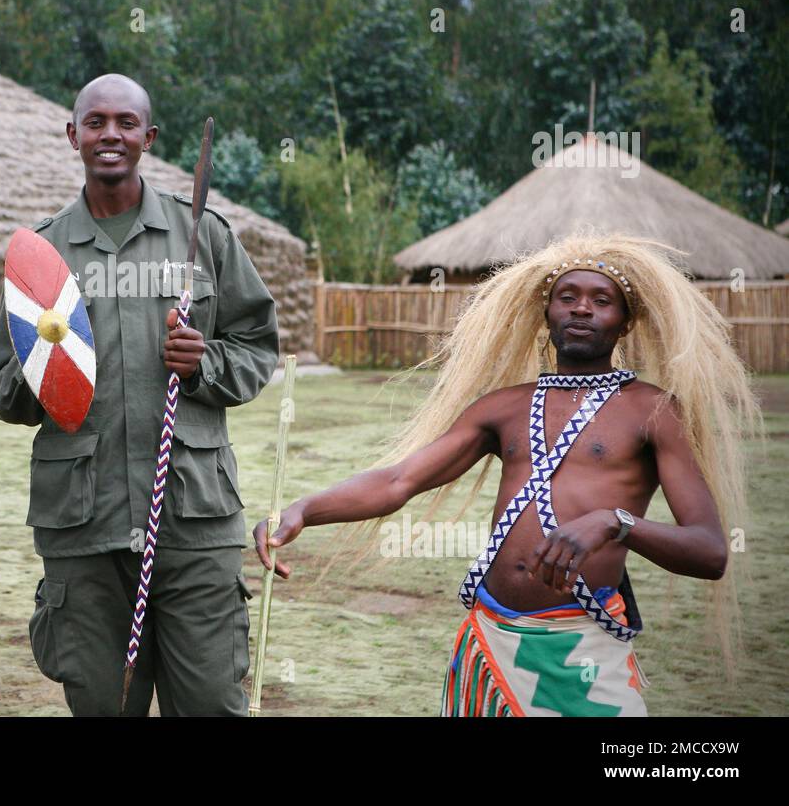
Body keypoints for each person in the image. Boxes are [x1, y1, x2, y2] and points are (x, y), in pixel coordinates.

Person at [254, 234, 758, 717]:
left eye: (601, 300)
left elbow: (710, 552)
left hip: (583, 652)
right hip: (490, 642)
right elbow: (397, 482)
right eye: (568, 297)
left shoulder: (653, 411)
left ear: (625, 323)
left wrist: (614, 521)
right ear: (547, 313)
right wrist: (302, 510)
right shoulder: (504, 409)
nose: (582, 309)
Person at [0, 74, 279, 716]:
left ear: (148, 138)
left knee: (208, 705)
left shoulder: (203, 236)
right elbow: (4, 388)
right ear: (73, 136)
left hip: (193, 522)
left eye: (125, 123)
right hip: (84, 526)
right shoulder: (42, 253)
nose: (109, 134)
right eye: (95, 122)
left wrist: (205, 365)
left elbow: (258, 347)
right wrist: (50, 373)